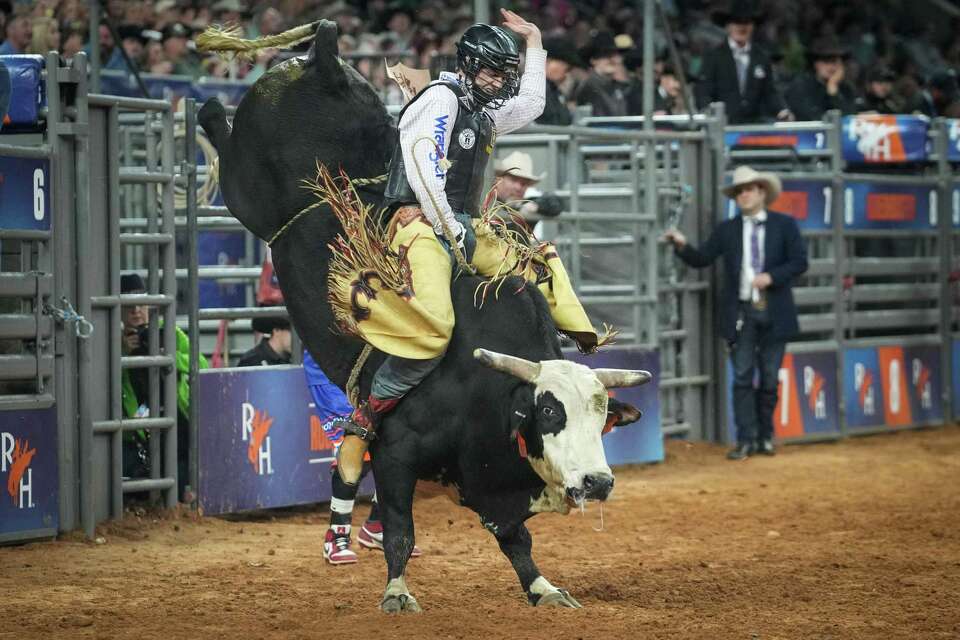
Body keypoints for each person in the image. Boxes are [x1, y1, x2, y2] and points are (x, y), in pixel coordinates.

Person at [332, 10, 601, 488]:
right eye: (494, 71)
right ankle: (366, 418)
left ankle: (574, 339)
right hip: (417, 224)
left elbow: (533, 104)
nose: (501, 83)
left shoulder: (481, 107)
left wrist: (535, 43)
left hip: (461, 225)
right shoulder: (440, 99)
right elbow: (422, 167)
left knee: (539, 261)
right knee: (434, 328)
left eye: (506, 74)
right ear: (471, 64)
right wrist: (450, 232)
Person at [662, 166, 808, 459]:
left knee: (768, 377)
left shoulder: (785, 225)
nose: (743, 195)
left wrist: (772, 277)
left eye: (749, 189)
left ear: (762, 192)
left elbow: (800, 262)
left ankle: (765, 436)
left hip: (774, 311)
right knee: (742, 376)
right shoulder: (728, 229)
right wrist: (681, 245)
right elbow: (703, 258)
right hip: (742, 312)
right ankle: (746, 439)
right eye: (739, 191)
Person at [302, 350, 421, 565]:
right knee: (354, 444)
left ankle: (377, 525)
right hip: (328, 366)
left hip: (369, 364)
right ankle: (336, 537)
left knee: (393, 446)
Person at [120, 273, 208, 497]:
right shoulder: (112, 338)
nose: (136, 310)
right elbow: (105, 384)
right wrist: (122, 355)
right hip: (137, 426)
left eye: (141, 303)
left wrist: (170, 357)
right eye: (129, 305)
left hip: (175, 414)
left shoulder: (167, 332)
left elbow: (202, 364)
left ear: (149, 305)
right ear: (119, 310)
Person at [695, 0, 792, 124]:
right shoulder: (714, 57)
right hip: (723, 125)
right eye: (736, 22)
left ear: (753, 26)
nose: (742, 27)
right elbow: (703, 90)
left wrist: (782, 110)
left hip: (753, 126)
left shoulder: (761, 58)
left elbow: (770, 91)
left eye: (746, 22)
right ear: (728, 25)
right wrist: (707, 113)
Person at [785, 36, 857, 122]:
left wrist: (832, 88)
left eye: (836, 62)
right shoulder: (801, 86)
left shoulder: (845, 89)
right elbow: (811, 118)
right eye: (827, 61)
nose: (832, 67)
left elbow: (849, 118)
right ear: (816, 64)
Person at [493, 150, 562, 237]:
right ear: (498, 179)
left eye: (524, 183)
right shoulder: (483, 201)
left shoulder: (522, 206)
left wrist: (536, 206)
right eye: (513, 180)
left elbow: (556, 203)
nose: (518, 187)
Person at [574, 31, 629, 118]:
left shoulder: (617, 87)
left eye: (614, 54)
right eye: (605, 55)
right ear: (593, 60)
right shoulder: (589, 87)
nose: (611, 59)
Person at [537, 35, 581, 126]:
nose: (566, 72)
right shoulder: (535, 87)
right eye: (563, 64)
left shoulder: (555, 90)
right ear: (546, 61)